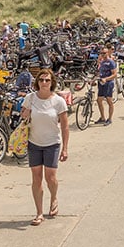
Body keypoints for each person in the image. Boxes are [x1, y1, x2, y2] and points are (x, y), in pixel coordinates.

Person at [21, 70, 70, 226]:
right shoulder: (30, 98)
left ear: (52, 82)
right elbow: (22, 116)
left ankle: (54, 197)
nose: (44, 83)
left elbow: (65, 126)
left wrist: (65, 148)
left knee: (50, 177)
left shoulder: (58, 101)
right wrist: (25, 113)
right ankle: (39, 213)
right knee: (36, 178)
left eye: (47, 80)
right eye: (41, 80)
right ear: (37, 82)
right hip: (34, 142)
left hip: (52, 143)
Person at [96, 46, 117, 126]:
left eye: (104, 53)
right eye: (101, 53)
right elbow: (99, 72)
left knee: (109, 100)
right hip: (101, 83)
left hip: (108, 83)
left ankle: (110, 118)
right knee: (99, 100)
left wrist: (106, 79)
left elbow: (114, 74)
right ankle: (102, 117)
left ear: (107, 53)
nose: (102, 54)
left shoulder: (111, 62)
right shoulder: (101, 62)